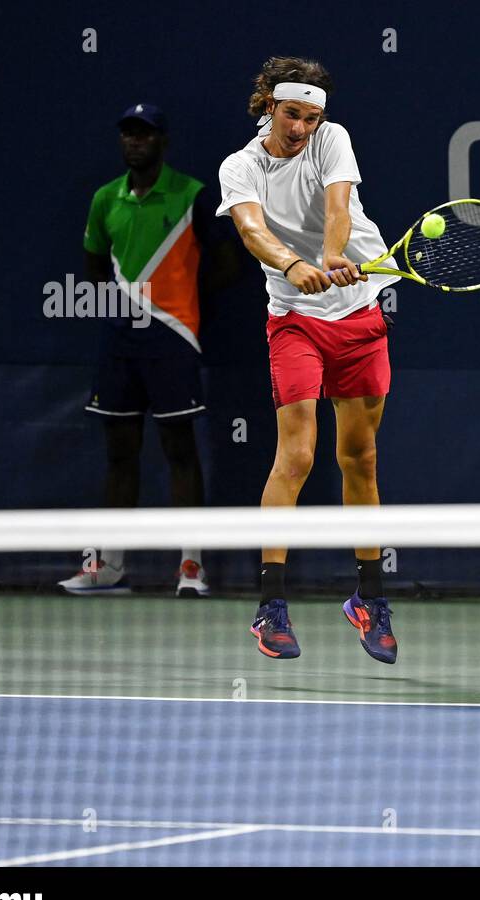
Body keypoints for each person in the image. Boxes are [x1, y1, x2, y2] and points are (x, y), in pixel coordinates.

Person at [216, 57, 401, 663]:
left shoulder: (333, 140)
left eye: (311, 117)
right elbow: (250, 230)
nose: (301, 128)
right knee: (295, 455)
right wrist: (297, 268)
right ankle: (271, 606)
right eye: (292, 114)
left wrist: (328, 254)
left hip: (358, 315)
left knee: (361, 457)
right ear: (267, 103)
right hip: (294, 321)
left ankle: (368, 599)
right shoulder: (239, 167)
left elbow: (339, 206)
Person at [59, 103, 238, 597]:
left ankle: (190, 569)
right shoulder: (104, 199)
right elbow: (95, 263)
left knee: (180, 450)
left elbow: (227, 263)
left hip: (174, 338)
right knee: (119, 453)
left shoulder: (192, 196)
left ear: (163, 142)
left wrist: (179, 304)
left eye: (145, 134)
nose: (135, 141)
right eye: (128, 134)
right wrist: (127, 306)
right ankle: (109, 567)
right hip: (120, 341)